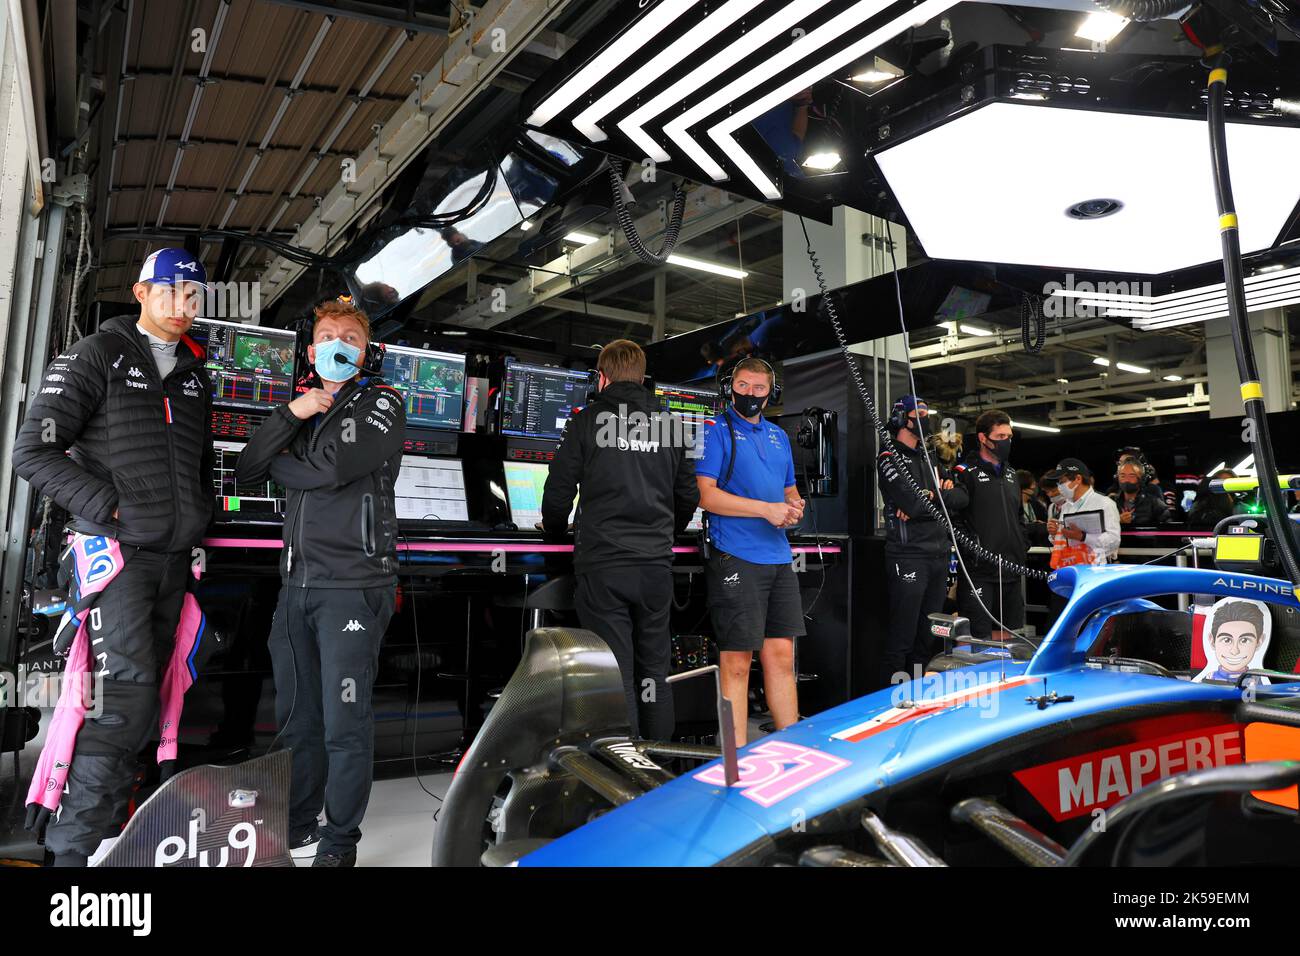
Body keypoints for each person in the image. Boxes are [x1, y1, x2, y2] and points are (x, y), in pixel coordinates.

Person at [13, 248, 216, 867]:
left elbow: (197, 468)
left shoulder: (192, 375)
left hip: (175, 561)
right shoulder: (94, 356)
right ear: (141, 292)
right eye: (171, 291)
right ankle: (71, 857)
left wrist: (200, 525)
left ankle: (95, 837)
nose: (183, 305)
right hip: (116, 555)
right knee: (123, 699)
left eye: (194, 296)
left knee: (150, 702)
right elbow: (32, 453)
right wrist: (111, 508)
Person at [234, 298, 405, 867]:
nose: (338, 344)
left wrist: (287, 458)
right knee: (297, 720)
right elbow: (246, 469)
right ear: (310, 351)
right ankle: (297, 823)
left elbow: (329, 471)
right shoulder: (304, 408)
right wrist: (292, 415)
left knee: (343, 723)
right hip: (296, 588)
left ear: (365, 351)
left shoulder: (383, 402)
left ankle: (339, 845)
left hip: (353, 587)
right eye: (327, 336)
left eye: (350, 337)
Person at [541, 339, 699, 740]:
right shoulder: (671, 425)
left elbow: (559, 491)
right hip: (655, 567)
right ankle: (657, 765)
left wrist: (556, 530)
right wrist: (667, 532)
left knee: (616, 670)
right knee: (654, 672)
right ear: (643, 377)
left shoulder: (587, 420)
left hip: (605, 564)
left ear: (602, 377)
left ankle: (622, 773)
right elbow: (688, 496)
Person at [696, 357, 805, 746]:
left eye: (759, 388)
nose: (750, 395)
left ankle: (790, 749)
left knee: (780, 658)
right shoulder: (716, 431)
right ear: (731, 387)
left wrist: (794, 506)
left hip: (777, 556)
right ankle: (734, 759)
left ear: (771, 393)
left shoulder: (778, 436)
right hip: (735, 555)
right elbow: (706, 496)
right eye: (743, 386)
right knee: (737, 662)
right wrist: (764, 508)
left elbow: (789, 491)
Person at [876, 396, 968, 686]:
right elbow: (913, 505)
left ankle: (915, 697)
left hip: (939, 555)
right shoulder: (889, 457)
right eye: (919, 414)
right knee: (901, 637)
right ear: (901, 417)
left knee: (926, 638)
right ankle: (889, 704)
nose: (925, 419)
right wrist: (932, 499)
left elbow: (960, 498)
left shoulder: (930, 459)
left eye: (928, 413)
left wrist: (930, 499)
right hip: (908, 556)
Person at [953, 409, 1027, 642]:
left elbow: (1019, 517)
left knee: (1008, 638)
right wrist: (972, 550)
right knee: (978, 640)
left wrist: (1022, 544)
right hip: (980, 571)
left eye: (1009, 436)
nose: (1007, 442)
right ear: (983, 438)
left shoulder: (1013, 475)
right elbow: (953, 520)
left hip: (1011, 569)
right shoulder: (965, 473)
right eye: (1000, 437)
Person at [1044, 458, 1122, 618]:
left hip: (1095, 574)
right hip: (1068, 574)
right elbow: (1062, 542)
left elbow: (1114, 540)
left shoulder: (1104, 503)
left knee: (1091, 624)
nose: (1059, 487)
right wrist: (1054, 534)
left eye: (1062, 481)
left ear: (1078, 479)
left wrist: (1083, 537)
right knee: (1064, 622)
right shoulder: (1065, 507)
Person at [1111, 459, 1170, 527]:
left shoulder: (1155, 503)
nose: (1126, 480)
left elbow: (1169, 529)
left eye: (1132, 476)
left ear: (1141, 479)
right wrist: (1118, 522)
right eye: (1123, 476)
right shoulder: (1110, 502)